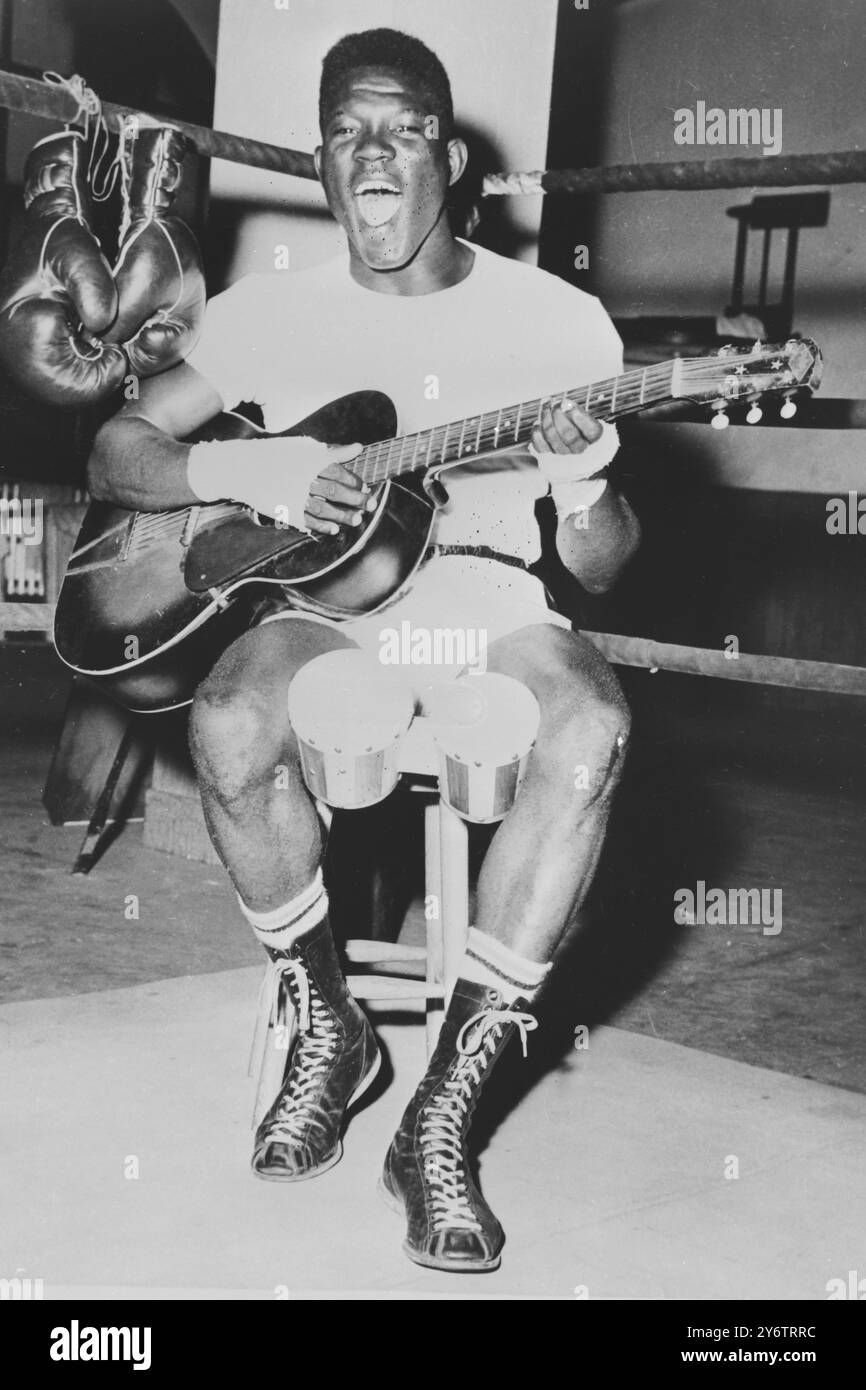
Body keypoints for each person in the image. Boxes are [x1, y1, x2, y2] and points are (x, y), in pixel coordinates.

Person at [87, 27, 640, 1274]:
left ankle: (439, 1110)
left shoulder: (555, 319)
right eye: (346, 129)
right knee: (227, 720)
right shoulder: (268, 312)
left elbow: (599, 561)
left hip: (482, 602)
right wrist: (244, 466)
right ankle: (330, 1024)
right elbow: (120, 450)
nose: (371, 152)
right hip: (325, 606)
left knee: (591, 727)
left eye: (398, 129)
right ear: (325, 159)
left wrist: (581, 475)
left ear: (447, 155)